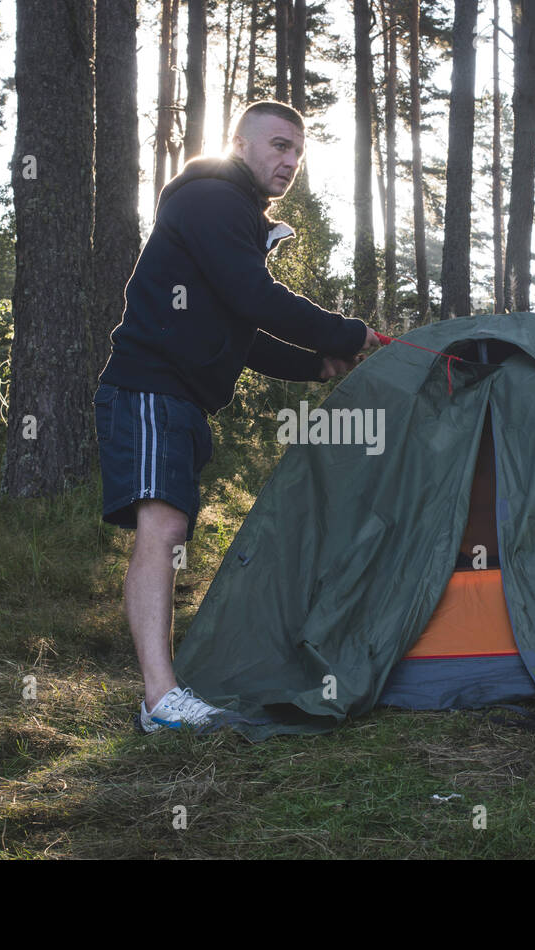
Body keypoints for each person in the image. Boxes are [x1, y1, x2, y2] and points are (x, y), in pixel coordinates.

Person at [94, 100, 381, 733]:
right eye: (278, 146)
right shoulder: (212, 201)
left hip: (181, 399)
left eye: (298, 153)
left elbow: (243, 328)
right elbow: (258, 298)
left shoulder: (237, 217)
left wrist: (320, 365)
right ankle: (159, 700)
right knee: (162, 531)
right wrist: (352, 332)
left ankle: (161, 692)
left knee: (167, 535)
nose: (289, 162)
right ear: (240, 145)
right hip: (148, 388)